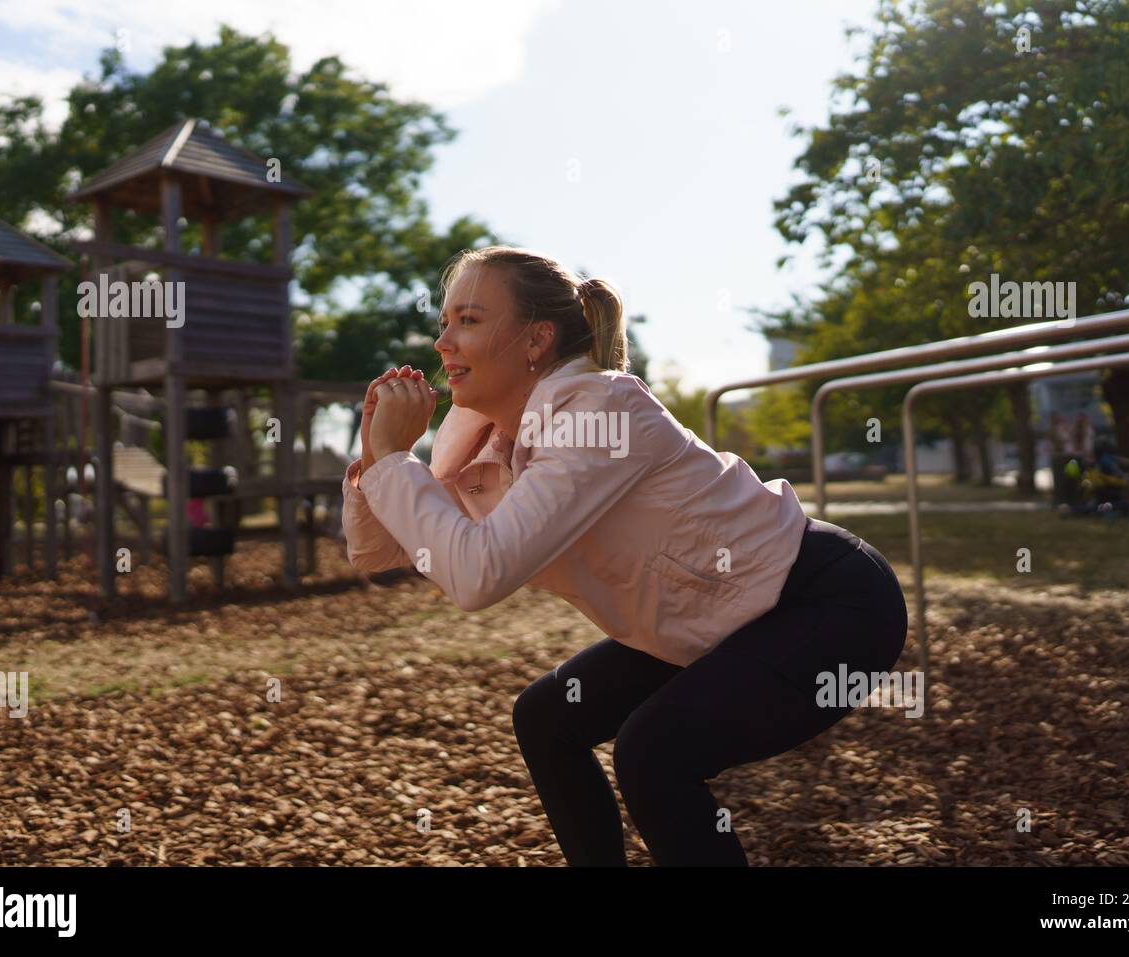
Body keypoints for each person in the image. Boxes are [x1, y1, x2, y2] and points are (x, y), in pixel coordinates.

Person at [340, 246, 908, 866]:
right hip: (717, 620)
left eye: (468, 321)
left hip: (824, 604)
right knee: (547, 718)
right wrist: (378, 455)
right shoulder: (488, 443)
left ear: (537, 339)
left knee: (655, 751)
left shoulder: (602, 412)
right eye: (445, 321)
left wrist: (398, 463)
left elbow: (478, 576)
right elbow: (381, 550)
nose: (443, 341)